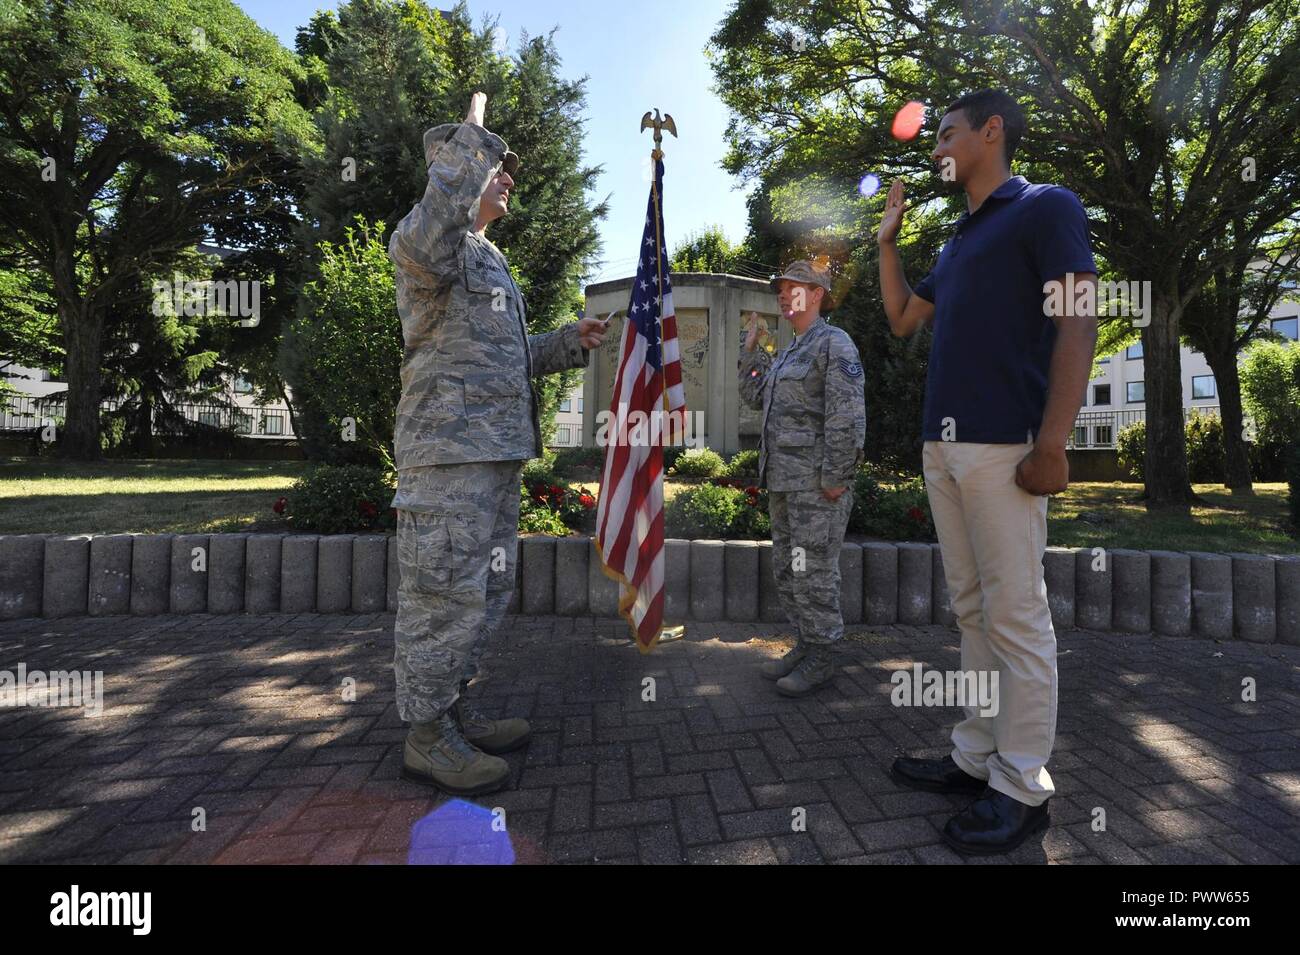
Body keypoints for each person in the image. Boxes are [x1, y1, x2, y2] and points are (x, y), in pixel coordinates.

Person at [877, 89, 1097, 854]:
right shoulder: (961, 238)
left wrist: (1054, 441)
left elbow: (1079, 318)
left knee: (1015, 617)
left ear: (991, 130)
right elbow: (905, 318)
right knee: (971, 611)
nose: (935, 143)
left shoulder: (1046, 207)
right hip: (943, 450)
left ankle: (1023, 785)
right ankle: (976, 759)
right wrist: (887, 245)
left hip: (1006, 448)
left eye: (946, 132)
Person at [388, 91, 608, 795]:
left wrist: (569, 342)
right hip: (447, 459)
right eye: (495, 164)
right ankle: (425, 737)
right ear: (459, 170)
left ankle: (451, 709)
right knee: (441, 593)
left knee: (483, 590)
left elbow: (505, 357)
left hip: (490, 455)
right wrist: (470, 140)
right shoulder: (429, 246)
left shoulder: (487, 262)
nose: (509, 175)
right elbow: (432, 227)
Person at [737, 260, 866, 697]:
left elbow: (846, 416)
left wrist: (837, 476)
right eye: (780, 288)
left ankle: (825, 655)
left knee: (814, 571)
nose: (783, 294)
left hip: (816, 484)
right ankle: (806, 644)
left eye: (794, 287)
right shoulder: (790, 351)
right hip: (784, 483)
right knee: (789, 570)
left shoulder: (834, 344)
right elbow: (754, 397)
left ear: (816, 295)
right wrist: (752, 350)